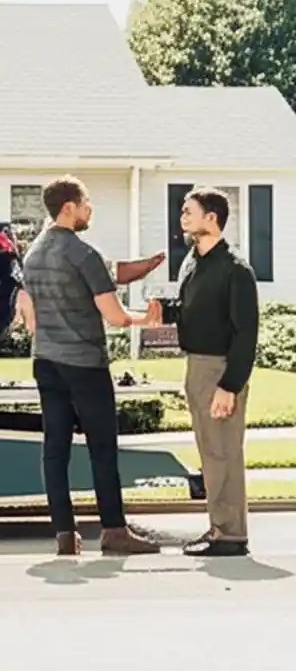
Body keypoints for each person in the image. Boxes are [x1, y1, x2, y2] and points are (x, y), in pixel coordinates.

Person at [18, 175, 166, 556]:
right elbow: (114, 315)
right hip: (85, 364)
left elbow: (31, 316)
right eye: (86, 204)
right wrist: (146, 320)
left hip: (46, 362)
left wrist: (147, 265)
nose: (90, 210)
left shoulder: (33, 255)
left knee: (55, 450)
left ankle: (65, 535)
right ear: (69, 207)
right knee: (102, 448)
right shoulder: (82, 254)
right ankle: (114, 530)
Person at [172, 187, 259, 557]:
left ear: (212, 218)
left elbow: (246, 332)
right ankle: (218, 528)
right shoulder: (194, 262)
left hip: (220, 370)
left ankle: (230, 536)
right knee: (210, 452)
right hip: (196, 366)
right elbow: (193, 310)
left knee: (223, 452)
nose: (183, 216)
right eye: (182, 211)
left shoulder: (235, 269)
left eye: (189, 211)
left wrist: (230, 385)